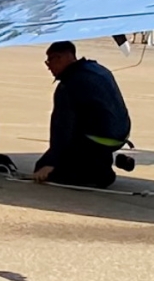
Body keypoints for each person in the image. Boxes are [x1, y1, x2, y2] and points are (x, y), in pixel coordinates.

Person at [30, 41, 132, 189]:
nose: (49, 67)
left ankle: (97, 173)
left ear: (60, 58)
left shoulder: (69, 84)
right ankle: (100, 162)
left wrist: (52, 162)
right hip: (120, 135)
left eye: (49, 61)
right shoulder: (98, 69)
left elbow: (62, 127)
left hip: (97, 139)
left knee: (43, 168)